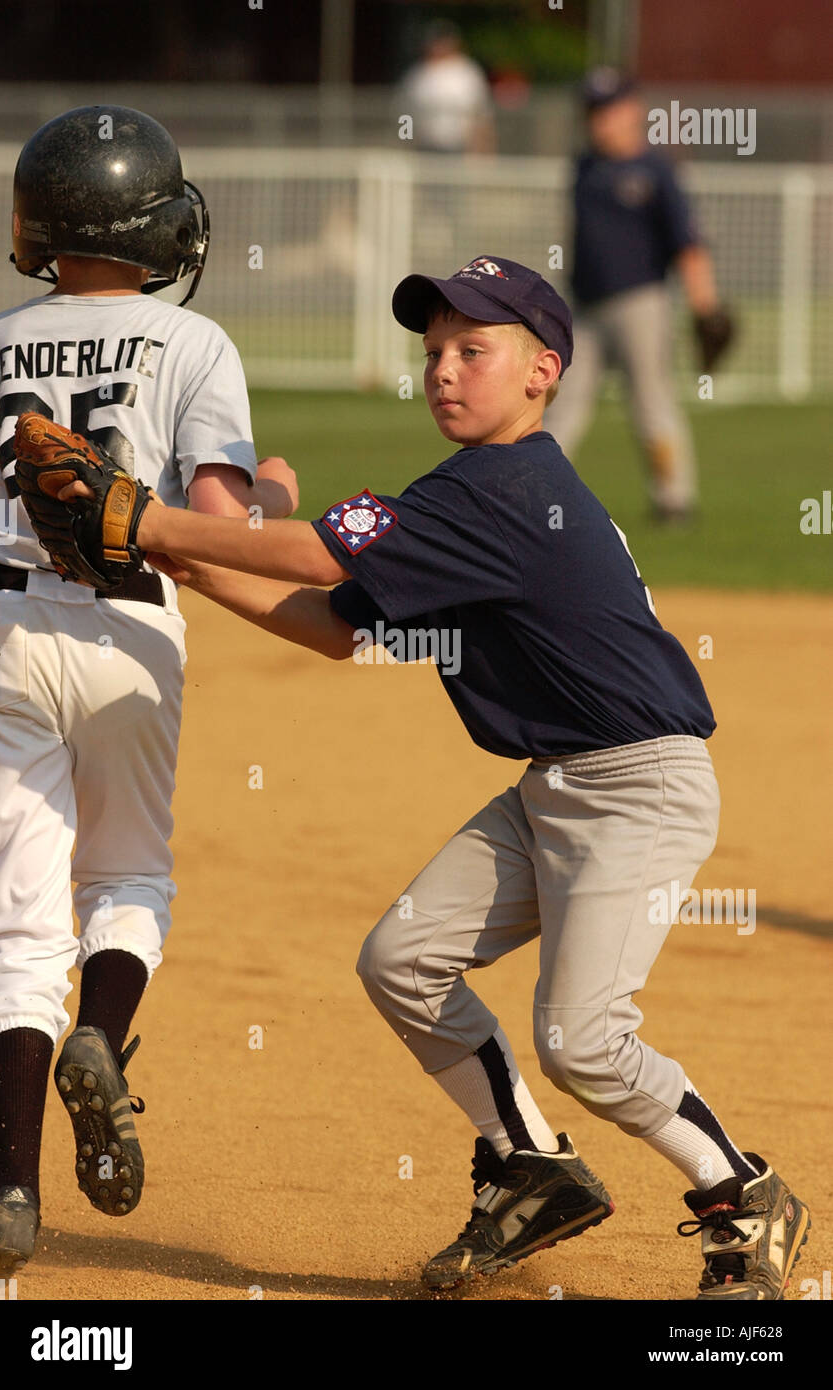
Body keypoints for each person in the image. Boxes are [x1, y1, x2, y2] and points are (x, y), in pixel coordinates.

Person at [44, 254, 808, 1301]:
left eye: (473, 349)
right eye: (434, 350)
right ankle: (529, 1163)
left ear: (544, 371)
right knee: (403, 956)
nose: (443, 369)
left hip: (641, 786)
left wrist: (145, 522)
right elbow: (333, 628)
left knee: (582, 1037)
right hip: (555, 788)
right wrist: (180, 559)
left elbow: (315, 556)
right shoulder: (465, 499)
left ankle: (743, 1192)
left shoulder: (509, 490)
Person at [0, 104, 296, 1274]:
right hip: (130, 628)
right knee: (128, 874)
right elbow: (216, 530)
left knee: (16, 923)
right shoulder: (192, 341)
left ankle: (10, 1188)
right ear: (155, 223)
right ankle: (101, 1037)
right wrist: (269, 489)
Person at [546, 69, 726, 523]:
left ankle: (673, 499)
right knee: (560, 403)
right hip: (584, 307)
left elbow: (688, 244)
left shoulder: (656, 171)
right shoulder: (584, 166)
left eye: (607, 109)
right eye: (592, 111)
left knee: (651, 402)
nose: (599, 120)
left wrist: (706, 307)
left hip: (640, 303)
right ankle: (537, 496)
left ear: (633, 110)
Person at [399, 21, 495, 155]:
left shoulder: (467, 72)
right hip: (424, 147)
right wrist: (406, 145)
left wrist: (481, 150)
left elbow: (480, 113)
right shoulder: (417, 75)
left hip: (460, 147)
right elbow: (405, 114)